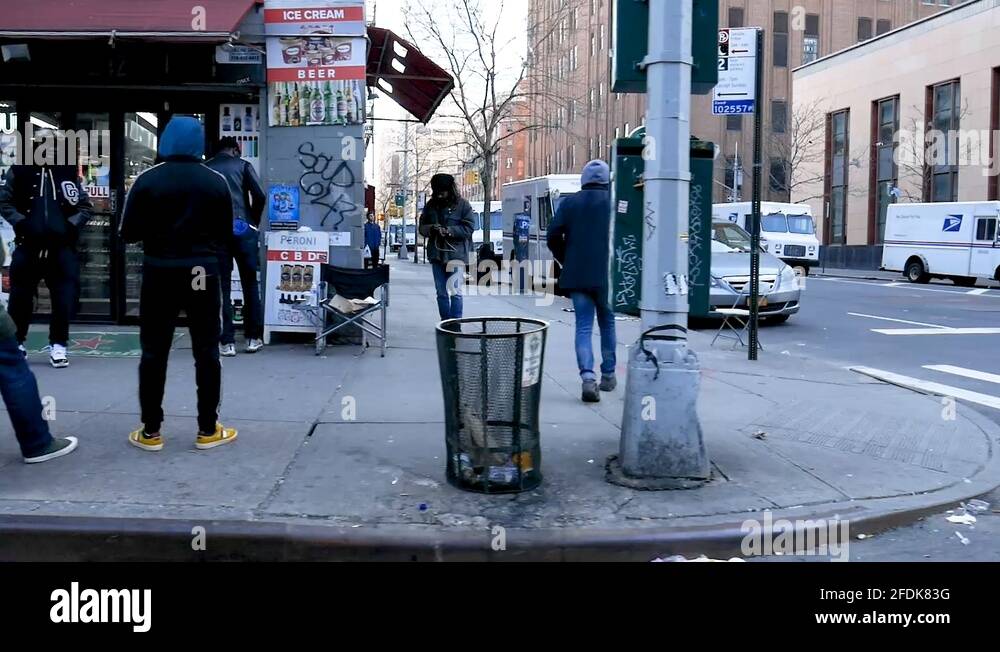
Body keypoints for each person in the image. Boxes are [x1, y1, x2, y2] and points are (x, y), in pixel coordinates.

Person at [120, 116, 238, 452]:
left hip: (160, 272)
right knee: (206, 351)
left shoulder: (147, 180)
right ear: (198, 143)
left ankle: (151, 431)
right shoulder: (215, 181)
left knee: (154, 352)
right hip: (202, 272)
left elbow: (128, 233)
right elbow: (226, 234)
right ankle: (207, 429)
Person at [0, 131, 93, 368]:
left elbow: (85, 205)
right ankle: (18, 343)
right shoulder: (20, 171)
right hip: (28, 244)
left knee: (62, 298)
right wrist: (21, 222)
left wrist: (70, 227)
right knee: (20, 298)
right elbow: (4, 201)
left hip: (60, 247)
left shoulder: (67, 172)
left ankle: (58, 345)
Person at [0, 237, 78, 463]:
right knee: (14, 372)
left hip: (55, 248)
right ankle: (37, 443)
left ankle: (58, 346)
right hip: (34, 247)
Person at [547, 160, 617, 403]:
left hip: (577, 275)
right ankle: (608, 374)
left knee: (583, 327)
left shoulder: (570, 203)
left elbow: (553, 235)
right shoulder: (615, 203)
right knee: (607, 323)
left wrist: (566, 258)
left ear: (584, 179)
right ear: (607, 179)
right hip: (608, 275)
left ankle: (588, 377)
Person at [205, 136, 266, 357]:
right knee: (250, 283)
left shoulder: (207, 169)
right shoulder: (244, 166)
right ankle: (253, 338)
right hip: (244, 229)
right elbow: (259, 195)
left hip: (216, 231)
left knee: (222, 287)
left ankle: (227, 341)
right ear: (234, 149)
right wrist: (253, 221)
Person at [418, 174, 474, 320]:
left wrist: (449, 231)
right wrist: (432, 228)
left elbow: (468, 229)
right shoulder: (431, 205)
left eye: (442, 192)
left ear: (450, 190)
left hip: (456, 254)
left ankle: (455, 324)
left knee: (455, 291)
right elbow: (422, 228)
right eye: (437, 192)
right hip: (437, 254)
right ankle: (445, 322)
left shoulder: (463, 205)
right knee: (441, 292)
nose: (440, 195)